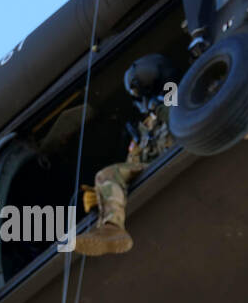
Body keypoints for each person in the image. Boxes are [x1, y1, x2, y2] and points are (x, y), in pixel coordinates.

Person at [72, 55, 177, 257]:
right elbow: (133, 166)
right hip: (160, 169)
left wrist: (160, 106)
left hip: (187, 148)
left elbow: (178, 114)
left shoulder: (184, 95)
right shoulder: (144, 130)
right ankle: (111, 229)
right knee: (106, 175)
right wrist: (104, 192)